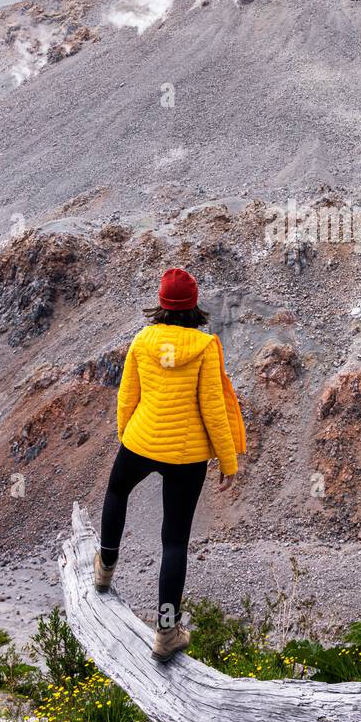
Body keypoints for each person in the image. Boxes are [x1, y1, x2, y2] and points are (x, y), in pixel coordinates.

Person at [94, 266, 246, 662]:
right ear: (193, 306)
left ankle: (105, 566)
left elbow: (127, 395)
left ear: (161, 304)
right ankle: (165, 632)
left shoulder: (143, 340)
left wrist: (127, 435)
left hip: (142, 441)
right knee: (174, 542)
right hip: (187, 455)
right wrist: (228, 461)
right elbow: (214, 409)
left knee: (117, 490)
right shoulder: (205, 347)